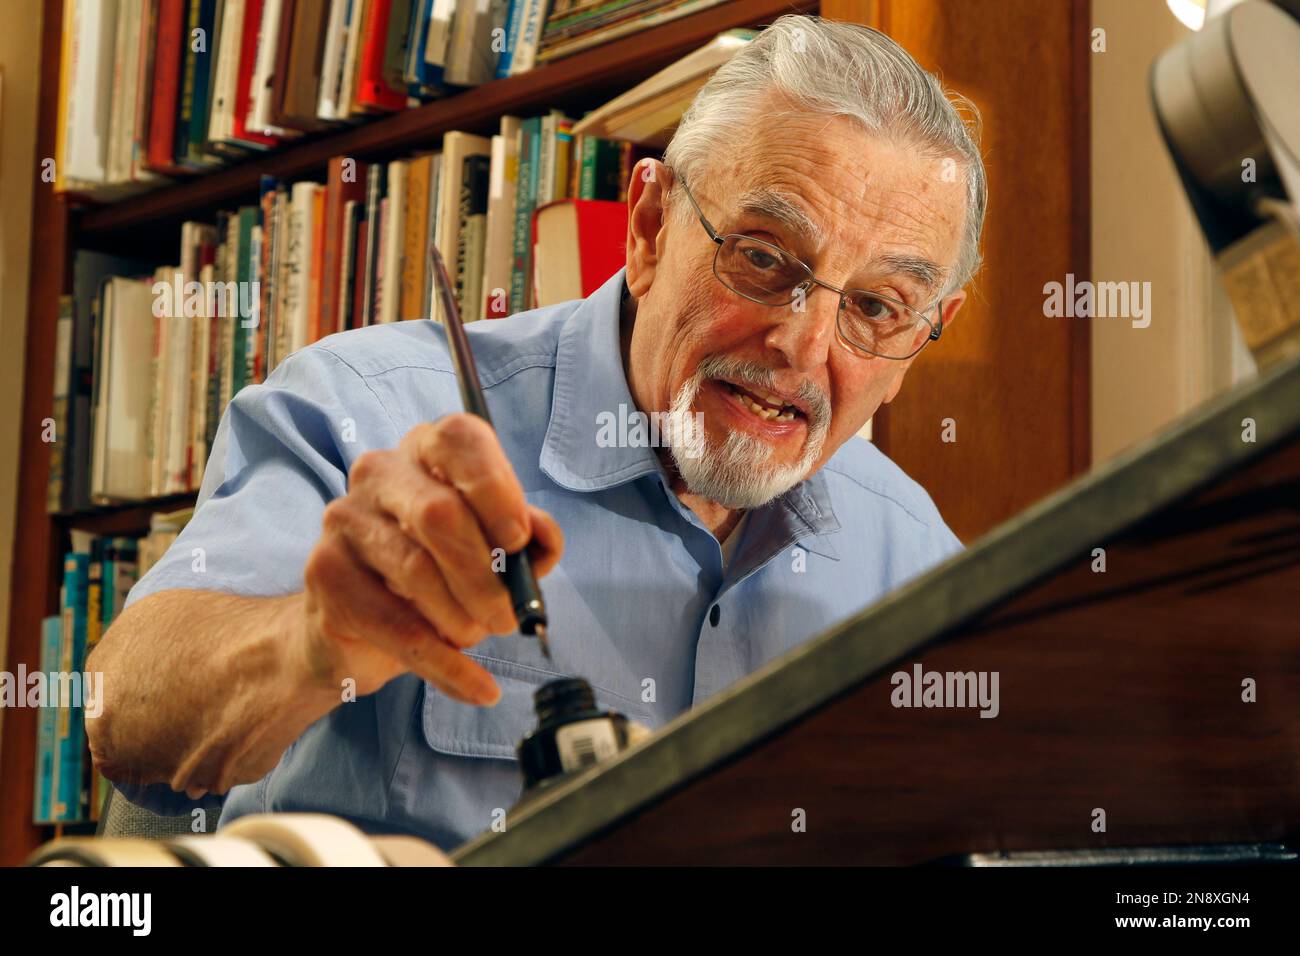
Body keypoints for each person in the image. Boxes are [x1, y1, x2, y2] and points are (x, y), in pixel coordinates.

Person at [87, 14, 987, 851]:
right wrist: (312, 639)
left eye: (876, 307)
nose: (801, 343)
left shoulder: (915, 561)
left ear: (928, 327)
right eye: (760, 257)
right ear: (648, 227)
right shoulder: (368, 408)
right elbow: (124, 716)